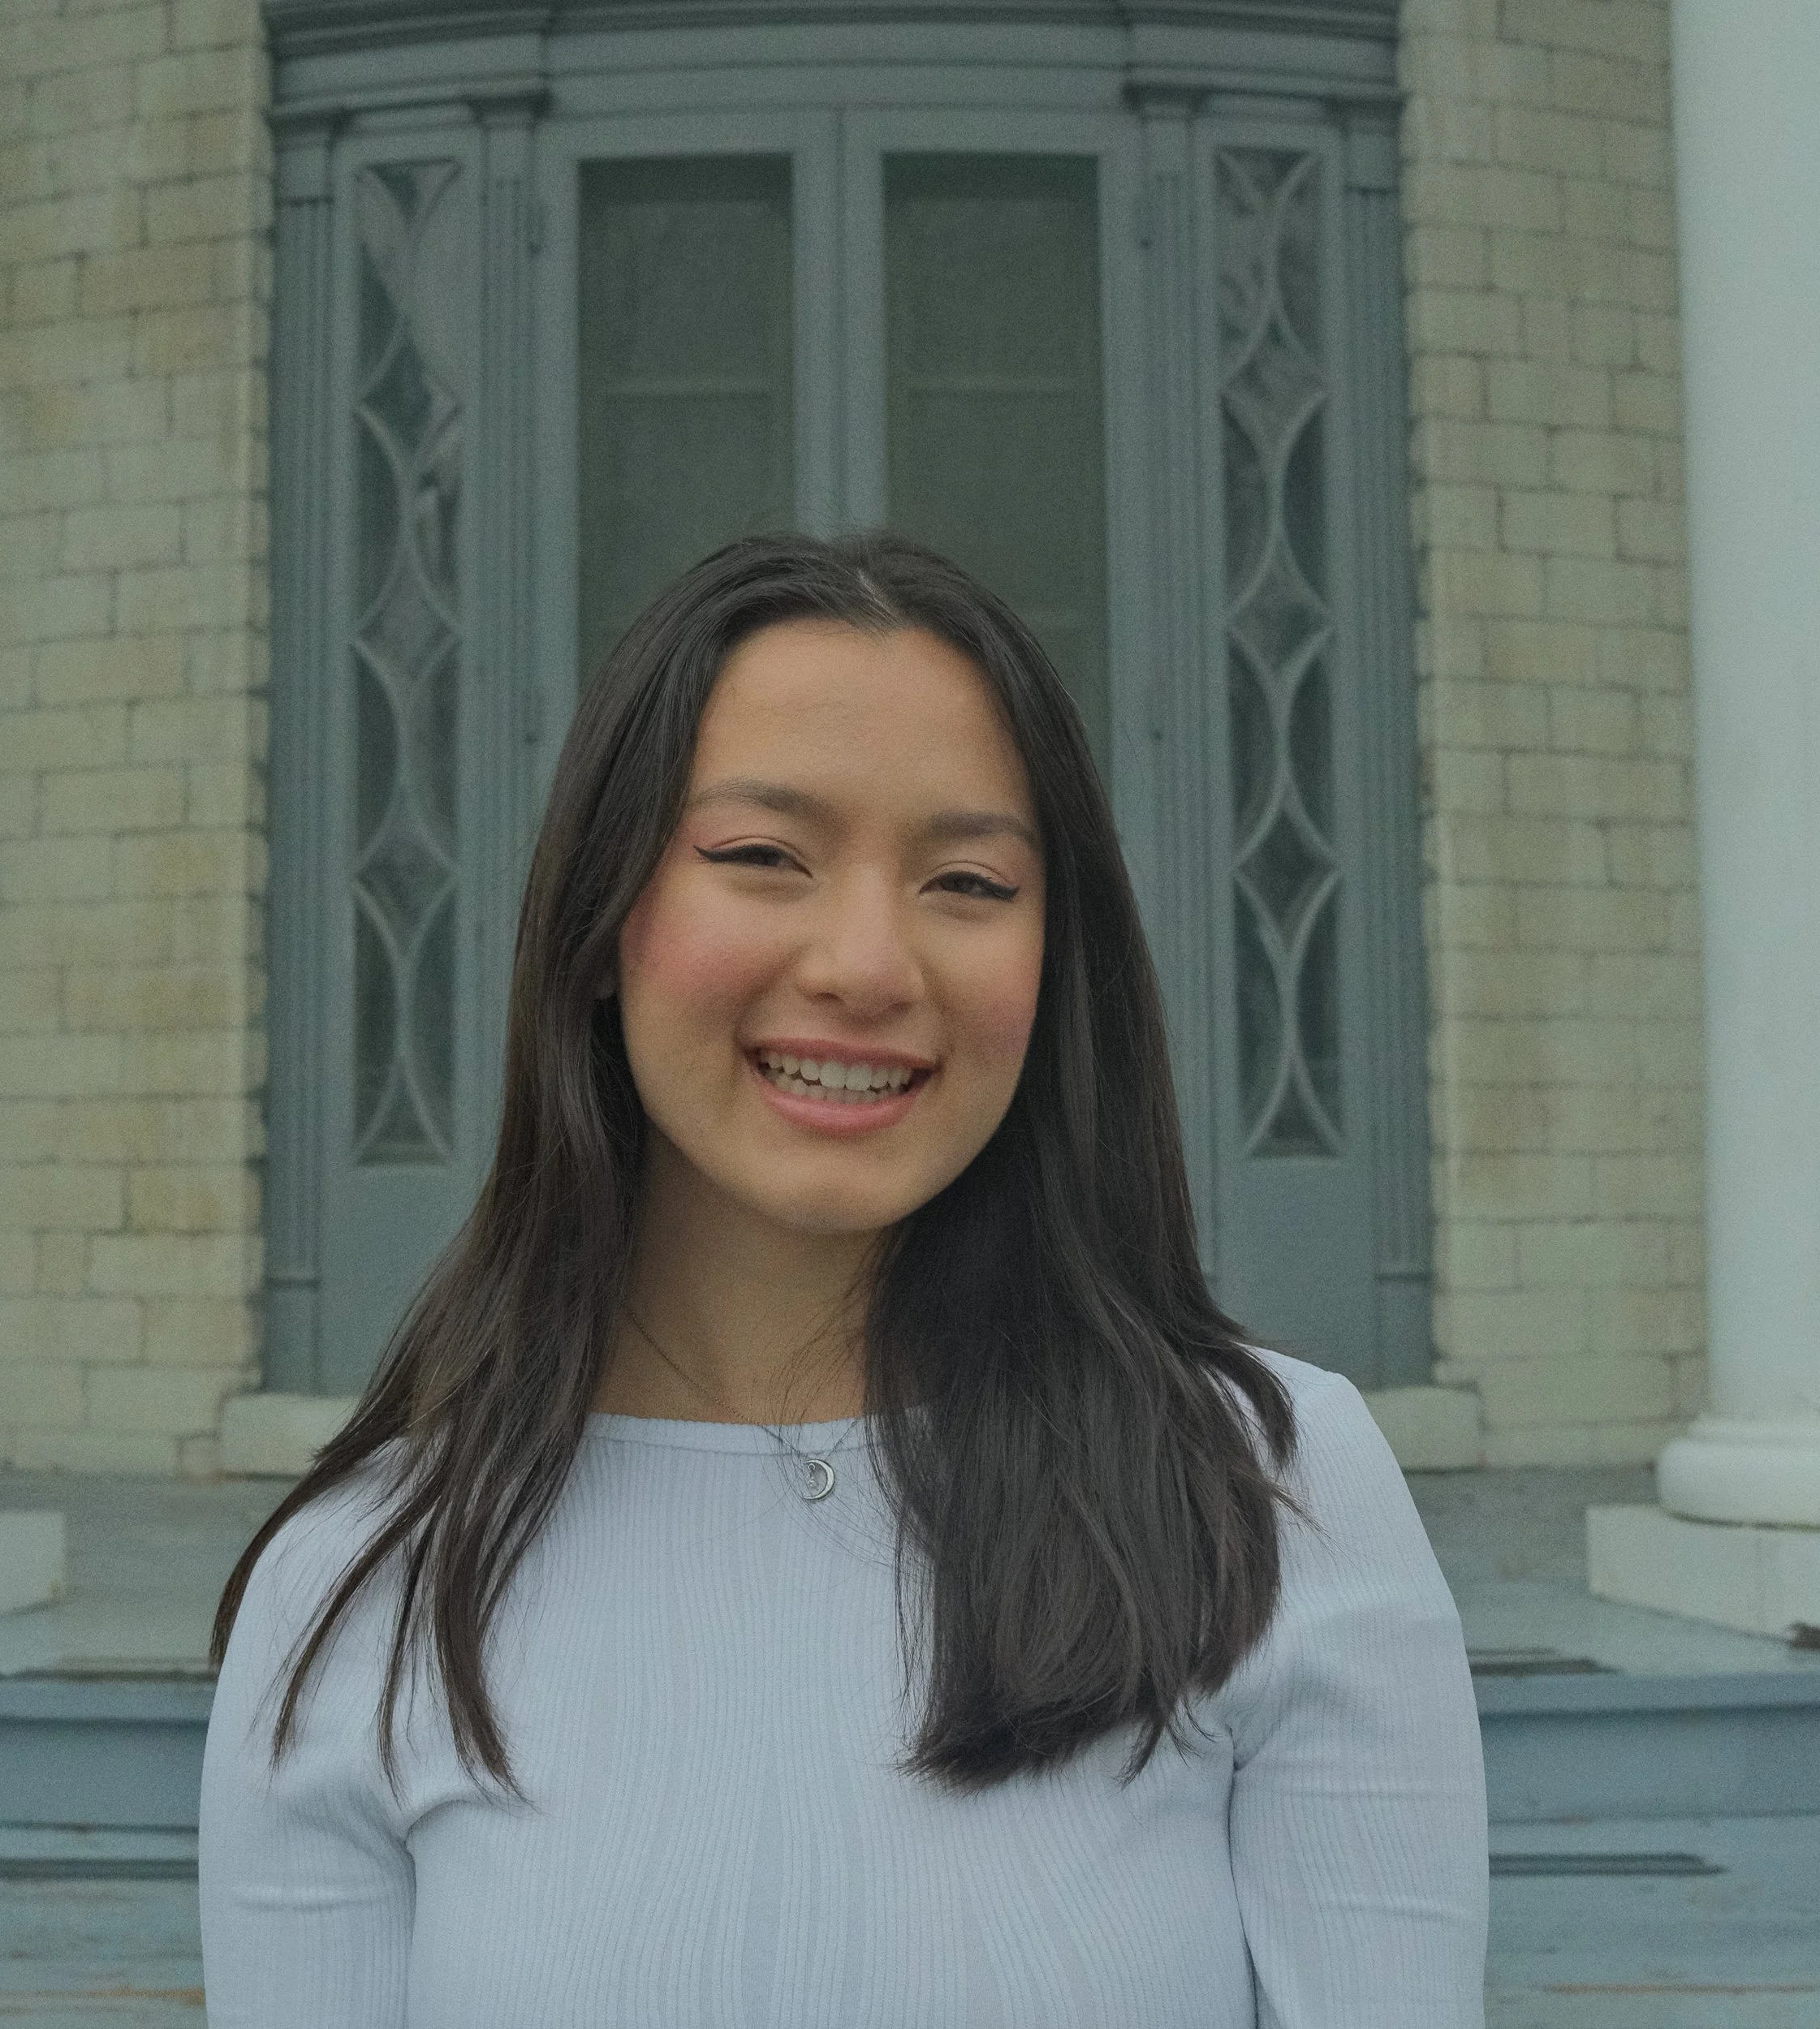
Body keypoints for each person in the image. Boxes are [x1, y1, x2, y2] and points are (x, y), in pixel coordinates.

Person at [199, 532, 1488, 2027]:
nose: (869, 964)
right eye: (761, 858)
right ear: (604, 922)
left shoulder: (1269, 1487)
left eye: (967, 879)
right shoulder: (370, 1581)